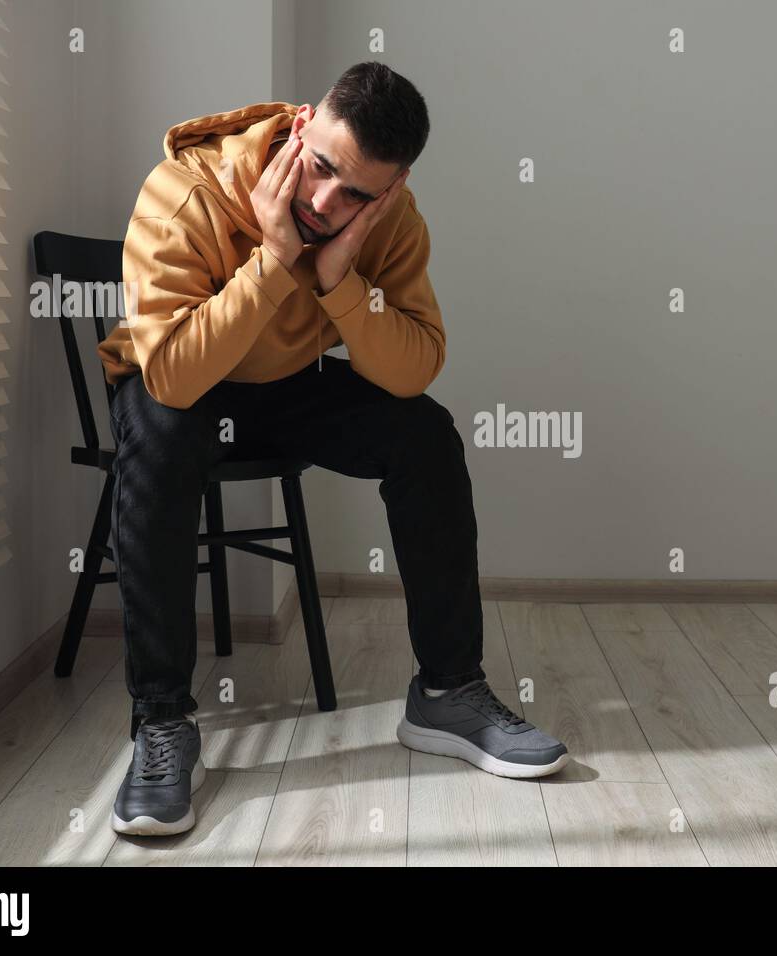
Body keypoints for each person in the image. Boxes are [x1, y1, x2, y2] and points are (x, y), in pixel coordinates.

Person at [95, 62, 568, 837]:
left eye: (357, 193)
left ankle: (448, 692)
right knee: (159, 430)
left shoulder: (392, 221)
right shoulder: (188, 190)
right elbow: (175, 375)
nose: (324, 203)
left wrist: (341, 279)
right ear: (302, 124)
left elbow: (415, 368)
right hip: (178, 383)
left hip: (282, 384)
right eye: (321, 169)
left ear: (393, 186)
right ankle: (162, 723)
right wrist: (276, 261)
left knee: (425, 435)